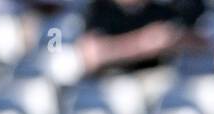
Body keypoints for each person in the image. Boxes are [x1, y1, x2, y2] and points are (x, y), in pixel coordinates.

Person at [77, 0, 206, 75]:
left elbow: (202, 44)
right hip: (116, 84)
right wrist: (144, 43)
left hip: (161, 81)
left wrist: (175, 38)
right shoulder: (100, 9)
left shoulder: (162, 10)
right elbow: (90, 56)